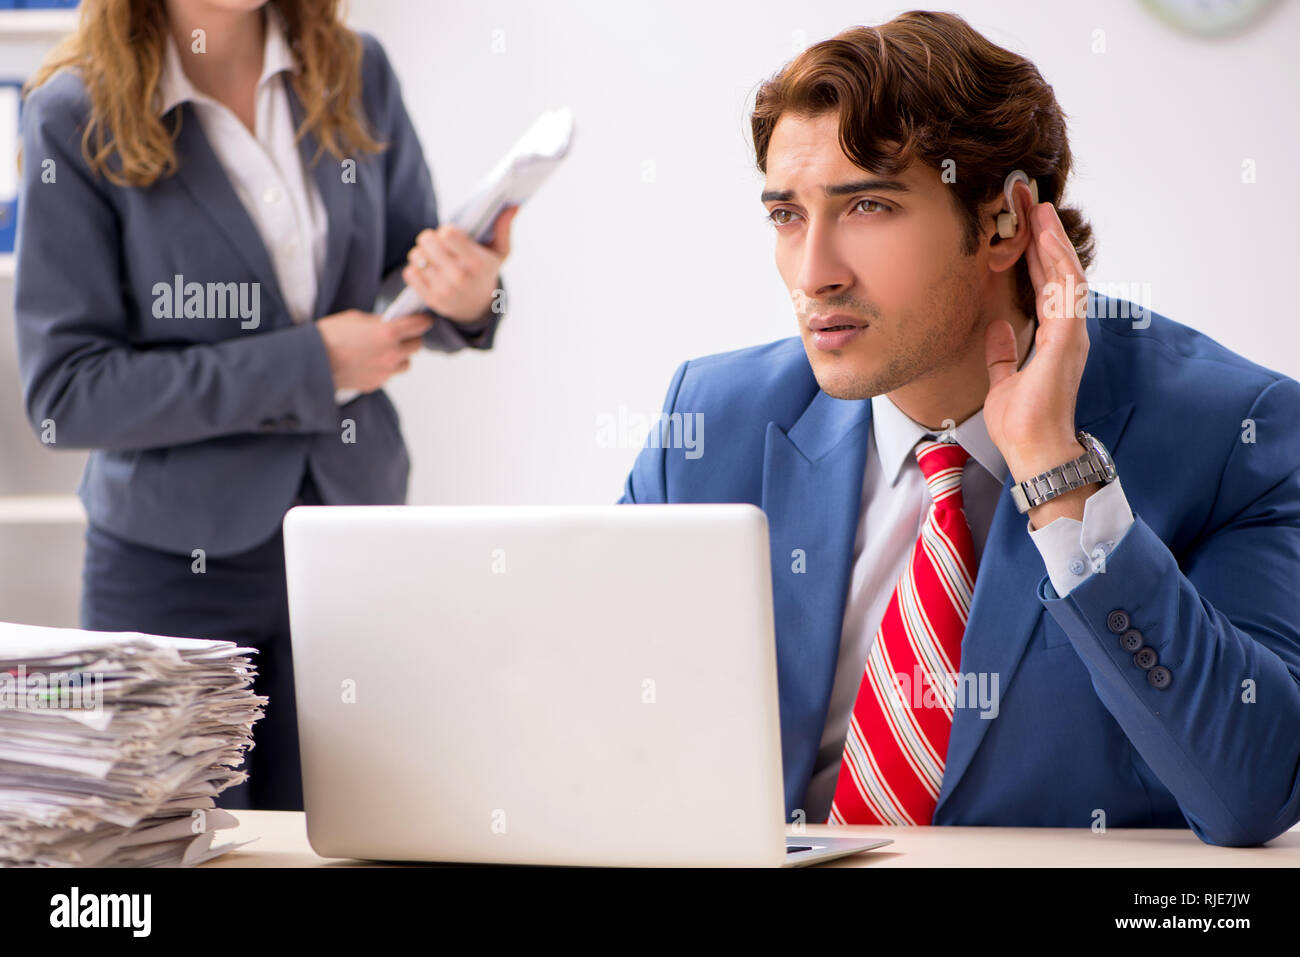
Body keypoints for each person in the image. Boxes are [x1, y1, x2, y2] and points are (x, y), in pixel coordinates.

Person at [619, 10, 1300, 846]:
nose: (813, 274)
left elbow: (1253, 791)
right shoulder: (711, 422)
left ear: (1004, 223)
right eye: (787, 216)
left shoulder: (1236, 434)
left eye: (866, 205)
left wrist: (1057, 477)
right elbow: (598, 720)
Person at [13, 0, 517, 811]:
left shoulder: (357, 70)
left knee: (360, 837)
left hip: (353, 545)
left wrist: (465, 298)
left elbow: (399, 285)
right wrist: (310, 363)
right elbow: (68, 391)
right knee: (167, 847)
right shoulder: (73, 112)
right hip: (171, 571)